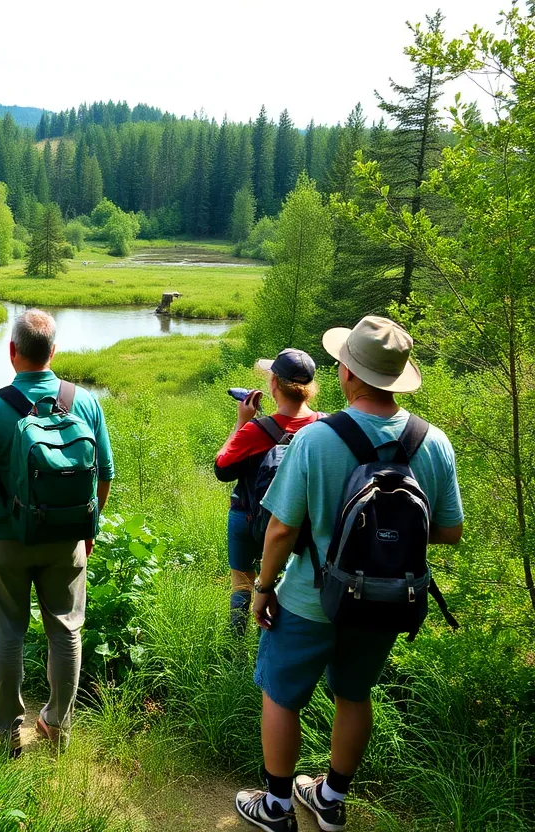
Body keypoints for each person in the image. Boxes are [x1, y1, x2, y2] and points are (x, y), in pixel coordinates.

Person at [234, 317, 463, 832]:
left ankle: (274, 807)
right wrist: (387, 541)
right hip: (386, 599)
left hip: (309, 599)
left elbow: (278, 531)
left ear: (349, 374)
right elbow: (449, 530)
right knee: (354, 694)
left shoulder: (318, 440)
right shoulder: (434, 442)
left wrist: (263, 588)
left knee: (281, 694)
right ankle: (331, 799)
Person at [0, 309, 115, 755]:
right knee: (66, 629)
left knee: (7, 630)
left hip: (6, 540)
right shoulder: (84, 401)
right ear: (53, 352)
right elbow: (104, 474)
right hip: (67, 539)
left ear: (12, 352)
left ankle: (5, 724)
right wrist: (88, 526)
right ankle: (56, 725)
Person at [214, 349, 320, 633]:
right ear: (309, 388)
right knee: (282, 580)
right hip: (300, 524)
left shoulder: (256, 430)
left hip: (248, 517)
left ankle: (235, 643)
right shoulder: (324, 426)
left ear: (273, 383)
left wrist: (242, 422)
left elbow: (222, 469)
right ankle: (271, 637)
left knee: (242, 583)